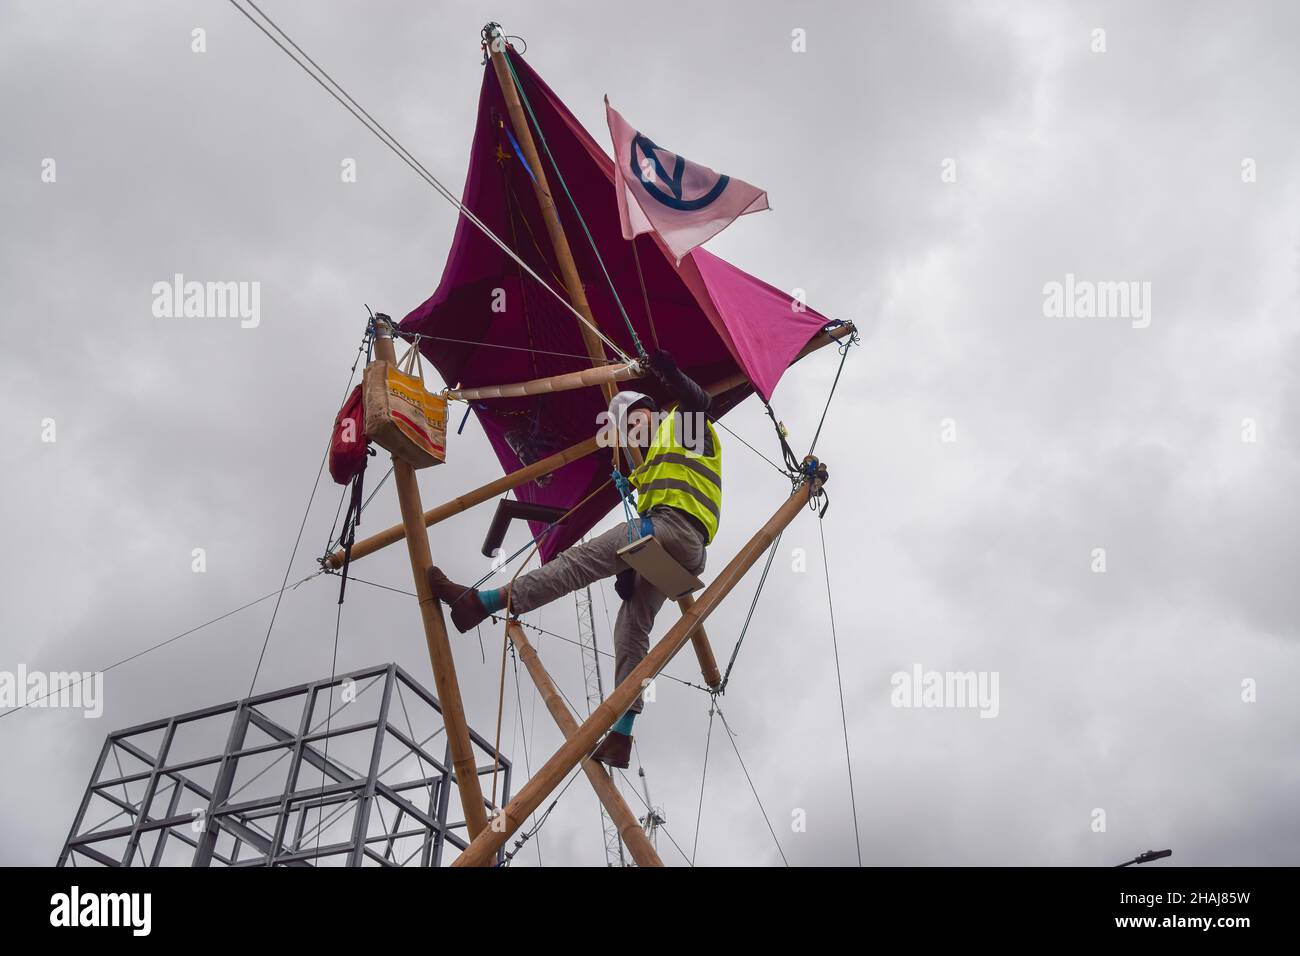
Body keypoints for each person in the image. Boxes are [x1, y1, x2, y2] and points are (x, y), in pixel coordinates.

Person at [427, 350, 721, 769]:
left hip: (675, 531)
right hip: (676, 549)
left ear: (651, 411)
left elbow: (698, 405)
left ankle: (483, 602)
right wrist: (630, 569)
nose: (634, 433)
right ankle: (622, 735)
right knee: (632, 628)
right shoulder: (653, 467)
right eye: (628, 430)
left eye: (636, 422)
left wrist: (671, 372)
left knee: (577, 564)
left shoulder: (683, 430)